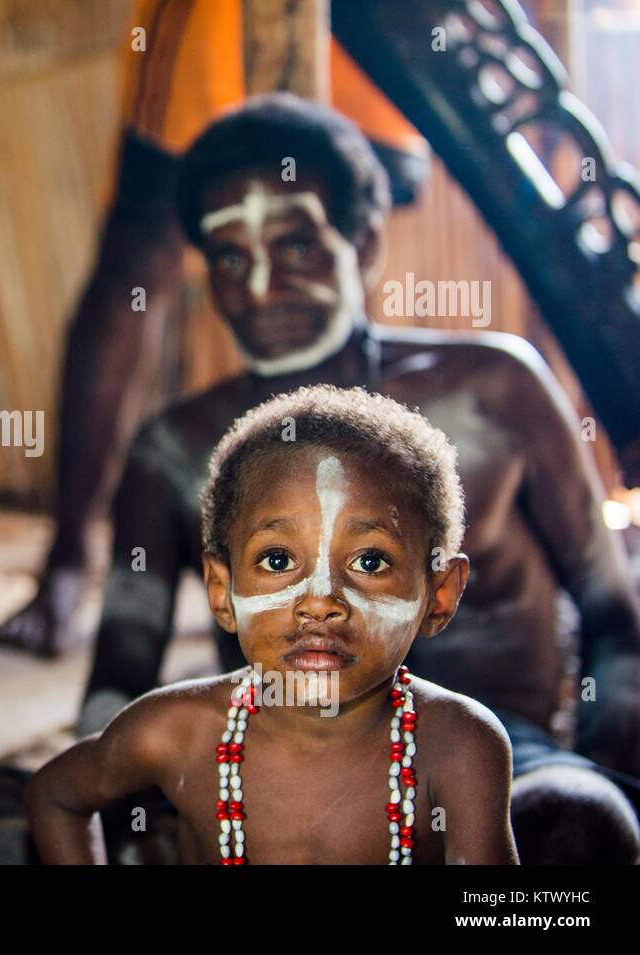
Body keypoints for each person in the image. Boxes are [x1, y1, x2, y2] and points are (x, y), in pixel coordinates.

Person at [77, 94, 640, 864]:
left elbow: (617, 617)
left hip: (508, 753)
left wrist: (609, 759)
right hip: (283, 764)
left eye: (297, 246)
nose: (260, 287)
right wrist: (137, 815)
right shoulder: (175, 449)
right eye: (231, 258)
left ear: (366, 243)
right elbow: (117, 683)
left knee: (579, 820)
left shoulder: (494, 391)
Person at [0, 0, 429, 655]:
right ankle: (70, 557)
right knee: (140, 249)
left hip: (374, 28)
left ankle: (361, 546)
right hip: (226, 18)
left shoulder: (497, 382)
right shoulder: (167, 446)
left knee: (334, 218)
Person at [28, 386, 517, 864]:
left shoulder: (457, 747)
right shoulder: (179, 732)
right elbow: (57, 797)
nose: (320, 601)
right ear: (221, 592)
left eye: (369, 562)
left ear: (439, 595)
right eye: (278, 559)